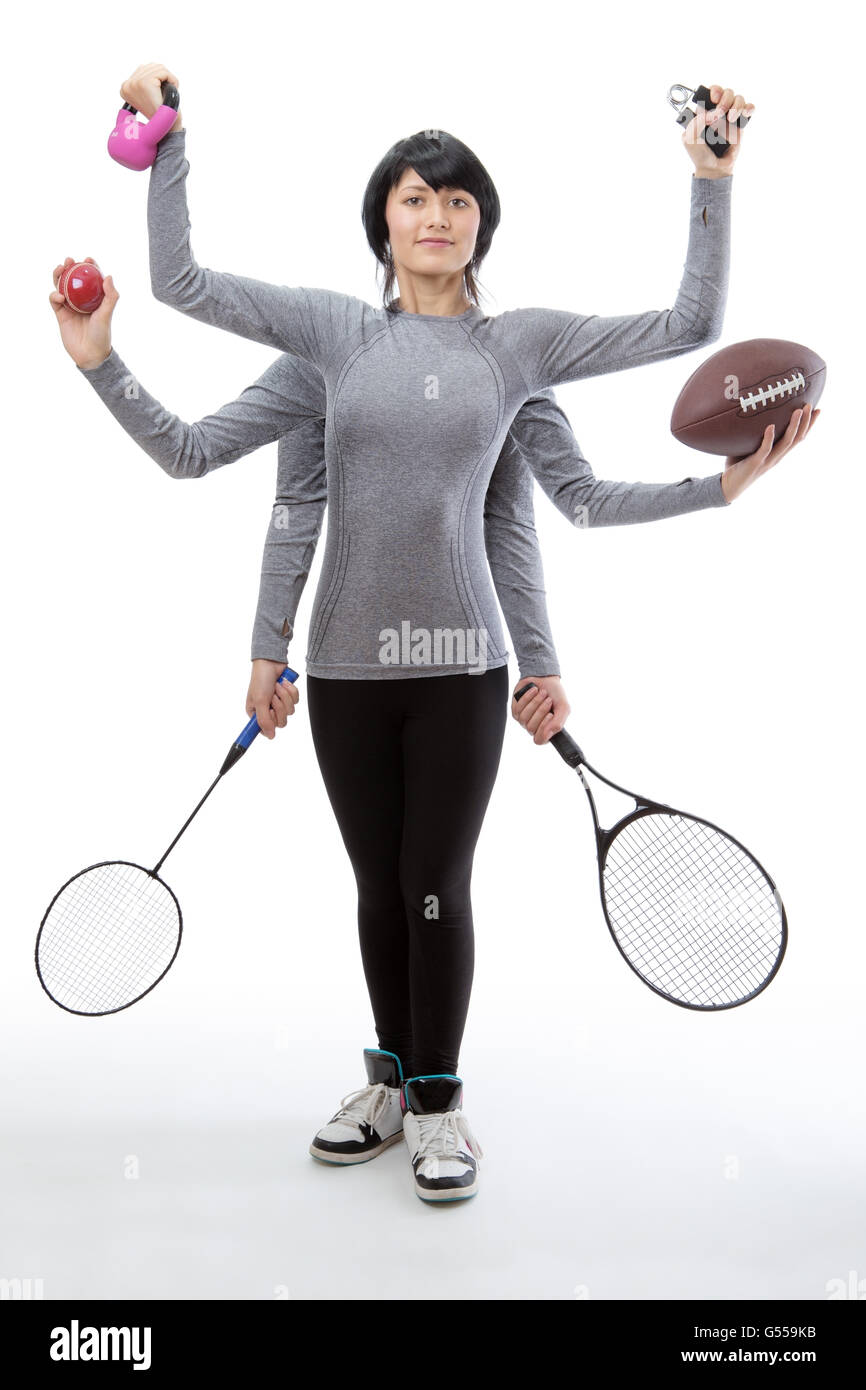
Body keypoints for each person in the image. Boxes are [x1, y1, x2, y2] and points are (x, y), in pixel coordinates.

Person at [50, 65, 818, 1203]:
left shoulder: (514, 354)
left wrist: (711, 188)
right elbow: (197, 413)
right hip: (350, 669)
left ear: (479, 226)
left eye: (456, 200)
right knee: (377, 884)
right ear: (382, 221)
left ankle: (440, 1108)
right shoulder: (326, 340)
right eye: (414, 196)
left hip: (462, 668)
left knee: (432, 880)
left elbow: (580, 475)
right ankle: (393, 1074)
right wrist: (109, 341)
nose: (435, 213)